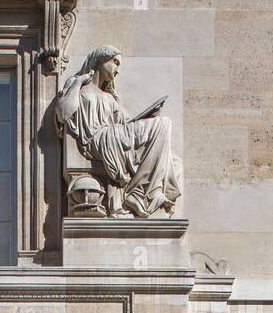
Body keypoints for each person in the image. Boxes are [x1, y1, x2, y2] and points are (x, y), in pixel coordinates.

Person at [55, 45, 182, 217]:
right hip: (98, 139)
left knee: (170, 152)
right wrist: (78, 81)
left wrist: (149, 116)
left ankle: (141, 193)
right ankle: (138, 193)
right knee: (163, 124)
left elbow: (126, 124)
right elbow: (64, 113)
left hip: (114, 136)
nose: (117, 70)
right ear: (100, 60)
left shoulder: (109, 97)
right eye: (115, 62)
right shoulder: (78, 85)